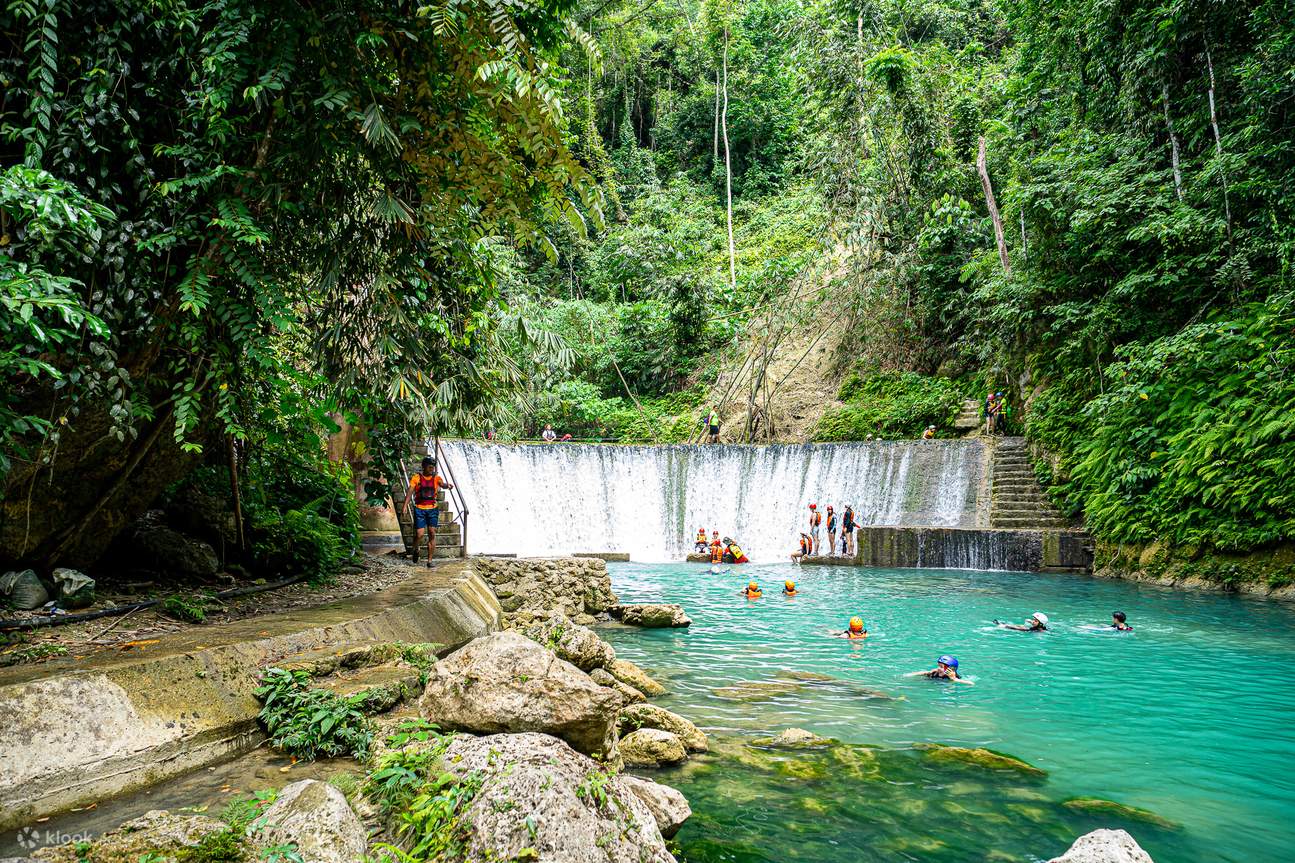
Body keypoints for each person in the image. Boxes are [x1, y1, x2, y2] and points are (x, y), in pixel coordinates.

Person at [404, 456, 454, 566]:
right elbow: (410, 492)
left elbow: (442, 484)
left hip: (432, 509)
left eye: (433, 468)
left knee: (432, 533)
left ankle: (430, 561)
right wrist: (405, 506)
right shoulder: (416, 478)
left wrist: (448, 485)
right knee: (419, 534)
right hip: (420, 509)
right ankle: (416, 549)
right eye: (430, 467)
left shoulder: (436, 478)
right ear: (424, 467)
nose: (432, 470)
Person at [905, 655, 974, 685]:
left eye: (941, 667)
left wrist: (954, 679)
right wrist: (912, 674)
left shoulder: (953, 676)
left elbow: (971, 683)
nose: (938, 668)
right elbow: (924, 672)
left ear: (951, 669)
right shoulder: (936, 671)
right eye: (939, 666)